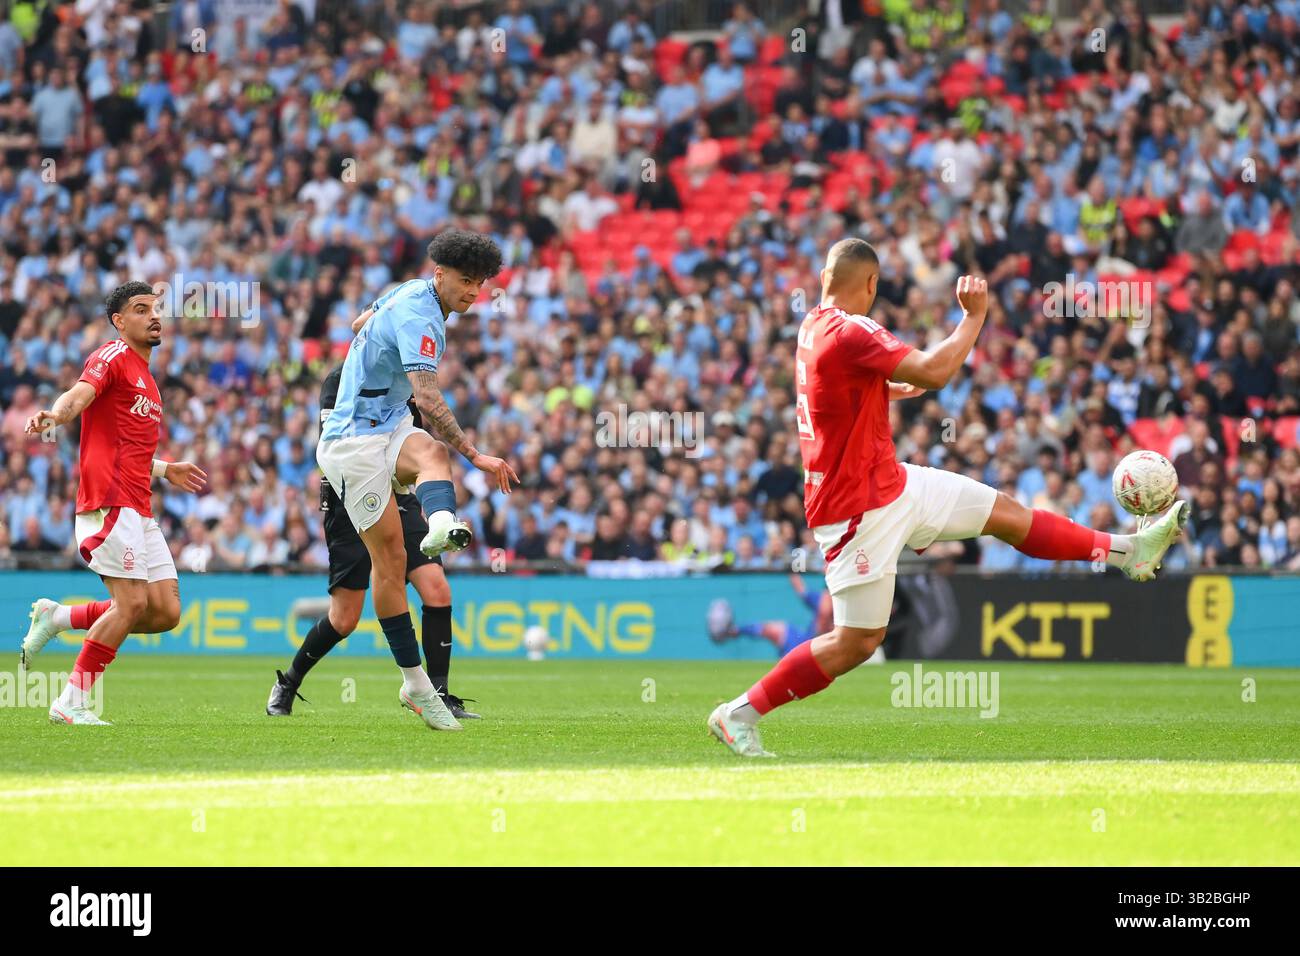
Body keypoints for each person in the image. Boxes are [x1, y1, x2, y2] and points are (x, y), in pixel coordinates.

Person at [707, 240, 1188, 757]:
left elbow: (832, 388)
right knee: (857, 643)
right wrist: (973, 318)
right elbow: (936, 372)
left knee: (1007, 515)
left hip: (891, 481)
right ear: (870, 285)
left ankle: (1128, 551)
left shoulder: (812, 326)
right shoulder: (852, 327)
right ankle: (739, 713)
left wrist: (883, 390)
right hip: (859, 511)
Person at [315, 230, 518, 732]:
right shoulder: (420, 315)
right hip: (351, 442)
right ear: (440, 275)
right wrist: (476, 454)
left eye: (482, 283)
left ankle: (442, 523)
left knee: (429, 450)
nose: (474, 293)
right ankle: (417, 685)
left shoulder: (407, 291)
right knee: (391, 564)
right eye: (466, 282)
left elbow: (363, 320)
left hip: (387, 426)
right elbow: (427, 399)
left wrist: (370, 354)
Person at [21, 281, 207, 725]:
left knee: (164, 611)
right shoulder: (112, 356)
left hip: (139, 506)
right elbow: (80, 395)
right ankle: (70, 703)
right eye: (141, 310)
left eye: (155, 308)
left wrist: (165, 470)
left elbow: (129, 449)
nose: (153, 316)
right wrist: (56, 415)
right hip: (109, 504)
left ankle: (59, 615)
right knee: (129, 606)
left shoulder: (149, 381)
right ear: (120, 322)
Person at [267, 365, 479, 720]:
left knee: (437, 589)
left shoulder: (407, 379)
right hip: (348, 495)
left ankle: (438, 694)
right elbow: (336, 446)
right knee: (345, 619)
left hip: (398, 496)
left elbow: (413, 445)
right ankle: (288, 682)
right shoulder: (342, 379)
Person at [707, 574, 885, 663]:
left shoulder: (847, 603)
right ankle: (733, 631)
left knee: (778, 629)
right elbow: (802, 591)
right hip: (807, 643)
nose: (826, 595)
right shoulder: (822, 598)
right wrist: (793, 567)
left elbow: (824, 614)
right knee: (776, 628)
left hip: (832, 648)